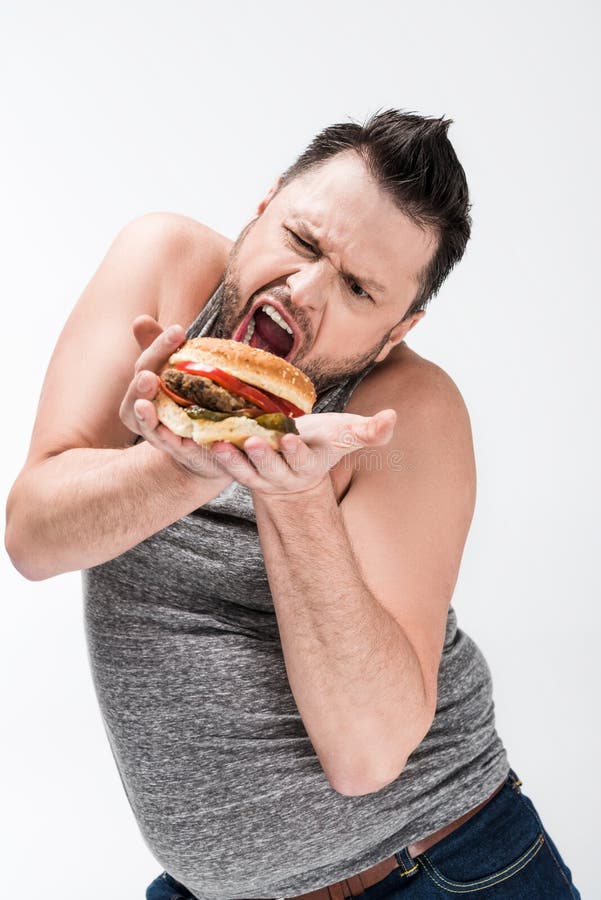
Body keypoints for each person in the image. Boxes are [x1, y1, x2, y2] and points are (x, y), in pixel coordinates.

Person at [5, 109, 581, 899]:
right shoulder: (165, 268)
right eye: (303, 241)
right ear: (264, 205)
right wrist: (191, 463)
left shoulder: (406, 414)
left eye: (357, 289)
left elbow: (365, 756)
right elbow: (33, 538)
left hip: (435, 872)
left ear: (396, 329)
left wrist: (296, 491)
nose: (303, 292)